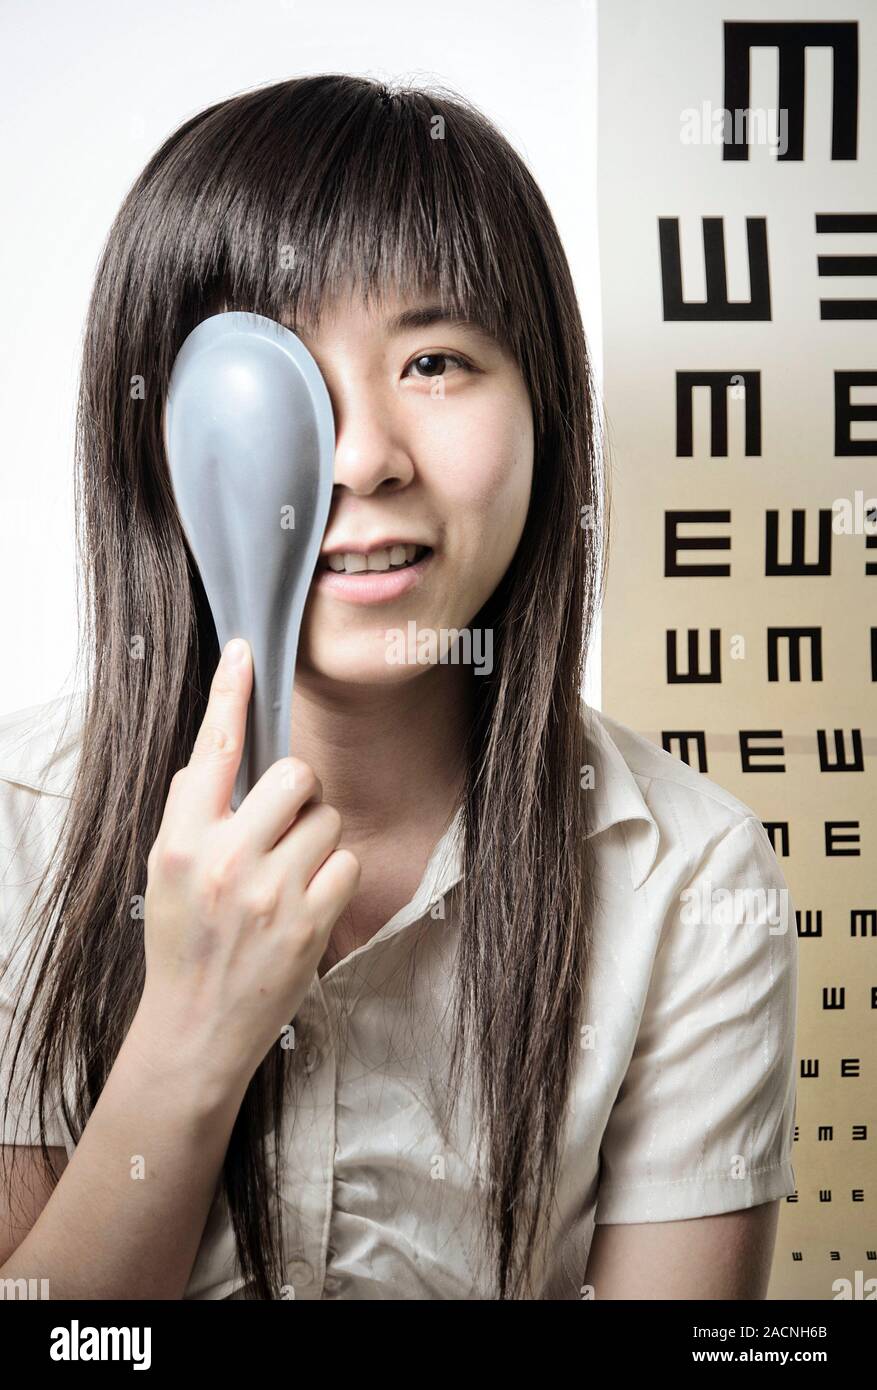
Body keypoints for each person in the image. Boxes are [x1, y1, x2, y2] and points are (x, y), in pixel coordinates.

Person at [0, 74, 797, 1301]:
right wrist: (190, 1034)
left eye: (434, 360)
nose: (362, 454)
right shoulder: (18, 827)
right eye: (279, 375)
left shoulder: (688, 881)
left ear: (546, 415)